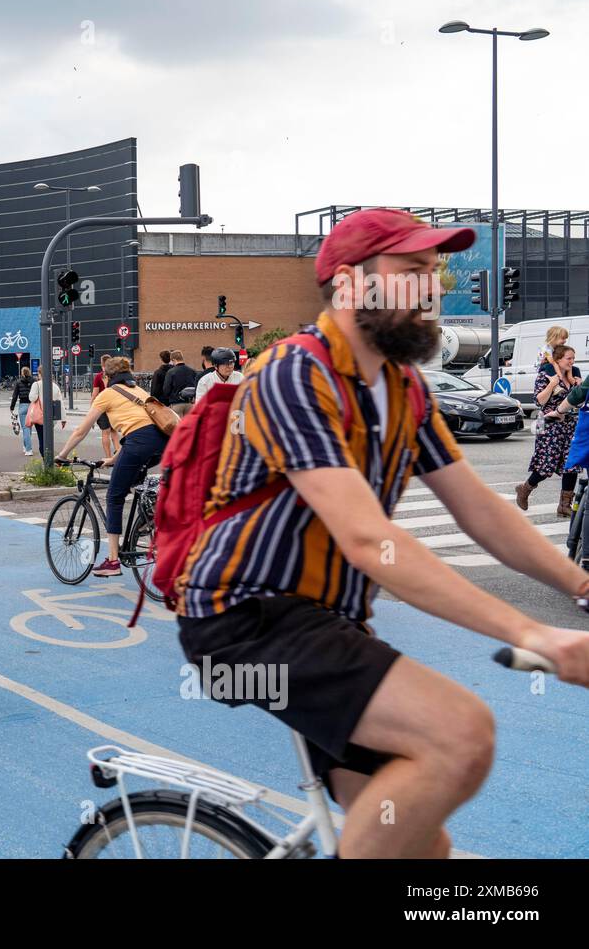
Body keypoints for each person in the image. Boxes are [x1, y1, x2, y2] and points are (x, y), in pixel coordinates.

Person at [174, 207, 589, 858]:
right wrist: (531, 632)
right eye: (412, 269)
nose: (434, 285)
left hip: (325, 625)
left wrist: (581, 586)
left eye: (436, 270)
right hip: (244, 629)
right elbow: (371, 542)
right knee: (461, 734)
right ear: (349, 285)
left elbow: (479, 509)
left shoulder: (403, 389)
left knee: (420, 845)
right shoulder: (293, 373)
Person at [54, 356, 168, 576]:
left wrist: (62, 455)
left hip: (138, 444)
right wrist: (113, 459)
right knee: (132, 482)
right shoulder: (140, 393)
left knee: (114, 496)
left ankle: (113, 561)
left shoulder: (107, 394)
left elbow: (81, 431)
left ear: (107, 376)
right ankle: (150, 516)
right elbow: (140, 430)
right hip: (161, 444)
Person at [517, 344, 580, 517]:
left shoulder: (575, 373)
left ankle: (564, 505)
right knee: (546, 465)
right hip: (550, 425)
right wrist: (552, 385)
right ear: (558, 359)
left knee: (571, 464)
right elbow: (539, 401)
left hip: (571, 425)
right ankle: (525, 489)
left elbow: (579, 399)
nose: (572, 361)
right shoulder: (547, 373)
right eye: (569, 358)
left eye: (573, 358)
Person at [27, 372, 67, 460]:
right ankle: (49, 458)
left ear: (40, 374)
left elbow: (32, 398)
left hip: (39, 417)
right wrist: (63, 419)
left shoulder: (36, 384)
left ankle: (46, 460)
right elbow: (60, 403)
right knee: (48, 438)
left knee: (41, 438)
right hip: (52, 417)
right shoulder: (55, 386)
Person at [91, 354, 119, 460]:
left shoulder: (99, 376)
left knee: (105, 432)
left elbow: (94, 394)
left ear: (102, 363)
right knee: (114, 432)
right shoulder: (116, 375)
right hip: (113, 406)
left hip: (102, 407)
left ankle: (108, 457)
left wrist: (91, 410)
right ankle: (118, 453)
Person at [162, 350, 198, 416]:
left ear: (173, 360)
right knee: (189, 425)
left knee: (178, 425)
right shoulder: (192, 371)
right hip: (190, 404)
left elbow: (166, 390)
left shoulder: (171, 372)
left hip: (176, 404)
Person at [8, 366, 34, 456]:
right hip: (32, 406)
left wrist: (12, 407)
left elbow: (15, 396)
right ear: (29, 372)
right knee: (29, 428)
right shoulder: (33, 381)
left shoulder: (18, 382)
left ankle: (29, 449)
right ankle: (25, 445)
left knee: (25, 428)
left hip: (23, 406)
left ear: (22, 373)